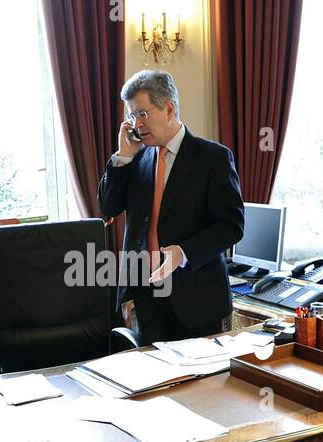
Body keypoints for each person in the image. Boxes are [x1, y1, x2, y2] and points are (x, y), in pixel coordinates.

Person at [97, 70, 244, 343]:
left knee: (202, 385)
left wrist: (183, 252)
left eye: (142, 113)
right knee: (154, 384)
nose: (136, 124)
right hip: (148, 299)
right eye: (131, 115)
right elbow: (108, 207)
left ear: (169, 108)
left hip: (197, 301)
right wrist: (122, 157)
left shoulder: (213, 158)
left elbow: (231, 227)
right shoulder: (136, 159)